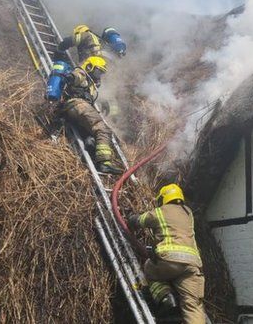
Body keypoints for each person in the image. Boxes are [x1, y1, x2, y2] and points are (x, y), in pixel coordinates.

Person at [126, 184, 205, 324]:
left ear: (163, 198)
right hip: (192, 265)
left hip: (169, 260)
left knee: (149, 270)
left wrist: (131, 217)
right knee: (193, 306)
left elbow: (140, 221)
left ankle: (165, 297)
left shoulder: (161, 211)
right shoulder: (188, 213)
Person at [58, 56, 123, 175]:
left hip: (72, 108)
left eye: (101, 73)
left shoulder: (90, 83)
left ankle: (91, 145)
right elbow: (77, 76)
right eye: (98, 72)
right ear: (89, 67)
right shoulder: (82, 73)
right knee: (102, 129)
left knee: (91, 134)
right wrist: (71, 77)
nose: (99, 76)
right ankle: (104, 163)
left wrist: (103, 103)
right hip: (79, 105)